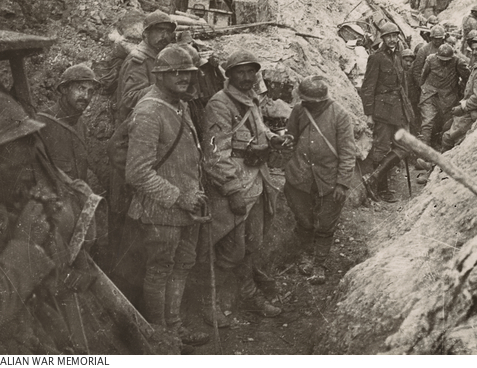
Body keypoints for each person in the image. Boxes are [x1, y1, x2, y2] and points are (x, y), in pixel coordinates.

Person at [0, 90, 104, 354]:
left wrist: (52, 244)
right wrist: (25, 243)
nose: (31, 178)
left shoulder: (0, 199)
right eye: (18, 169)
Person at [125, 44, 210, 347]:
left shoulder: (179, 104)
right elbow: (136, 172)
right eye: (175, 73)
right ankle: (160, 334)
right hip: (162, 210)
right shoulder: (149, 110)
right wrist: (178, 196)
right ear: (159, 76)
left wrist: (194, 193)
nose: (183, 78)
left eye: (187, 73)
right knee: (160, 269)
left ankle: (174, 326)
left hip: (189, 207)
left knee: (183, 265)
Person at [202, 49, 292, 324]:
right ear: (228, 75)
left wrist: (272, 138)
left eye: (251, 71)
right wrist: (232, 190)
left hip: (257, 180)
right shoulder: (220, 104)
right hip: (235, 185)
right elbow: (216, 154)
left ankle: (249, 295)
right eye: (240, 72)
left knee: (252, 244)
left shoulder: (251, 100)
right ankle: (211, 303)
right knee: (229, 250)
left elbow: (256, 129)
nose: (247, 77)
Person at [109, 10, 177, 272]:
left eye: (168, 31)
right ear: (145, 33)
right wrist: (162, 87)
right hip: (130, 143)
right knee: (127, 214)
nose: (165, 36)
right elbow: (128, 99)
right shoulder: (138, 61)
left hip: (151, 142)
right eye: (159, 31)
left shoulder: (159, 58)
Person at [283, 76, 356, 285]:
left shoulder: (339, 115)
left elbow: (348, 151)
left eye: (312, 102)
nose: (307, 105)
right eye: (305, 101)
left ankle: (319, 262)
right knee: (304, 219)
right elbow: (292, 135)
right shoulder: (298, 111)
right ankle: (306, 253)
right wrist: (287, 140)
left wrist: (343, 183)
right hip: (300, 175)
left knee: (326, 223)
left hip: (329, 178)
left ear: (322, 100)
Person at [360, 22, 415, 202]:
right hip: (382, 109)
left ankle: (373, 177)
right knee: (381, 149)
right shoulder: (376, 58)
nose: (392, 39)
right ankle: (381, 189)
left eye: (394, 36)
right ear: (382, 38)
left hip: (398, 108)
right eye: (388, 36)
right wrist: (369, 113)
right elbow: (368, 87)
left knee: (404, 146)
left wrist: (406, 105)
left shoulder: (398, 56)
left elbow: (402, 84)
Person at [37, 63, 99, 183]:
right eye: (81, 89)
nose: (86, 96)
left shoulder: (80, 124)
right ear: (64, 89)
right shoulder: (42, 124)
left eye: (90, 91)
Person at [442, 36, 477, 151]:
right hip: (472, 109)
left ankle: (438, 167)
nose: (474, 52)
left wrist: (462, 107)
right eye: (473, 49)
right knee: (446, 127)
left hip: (474, 112)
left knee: (447, 137)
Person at [418, 43, 470, 151]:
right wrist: (424, 90)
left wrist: (461, 91)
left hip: (448, 96)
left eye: (447, 60)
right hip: (430, 94)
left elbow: (467, 77)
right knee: (427, 122)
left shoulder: (458, 61)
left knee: (446, 124)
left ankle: (443, 149)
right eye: (442, 59)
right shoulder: (430, 59)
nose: (444, 62)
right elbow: (423, 76)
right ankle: (423, 152)